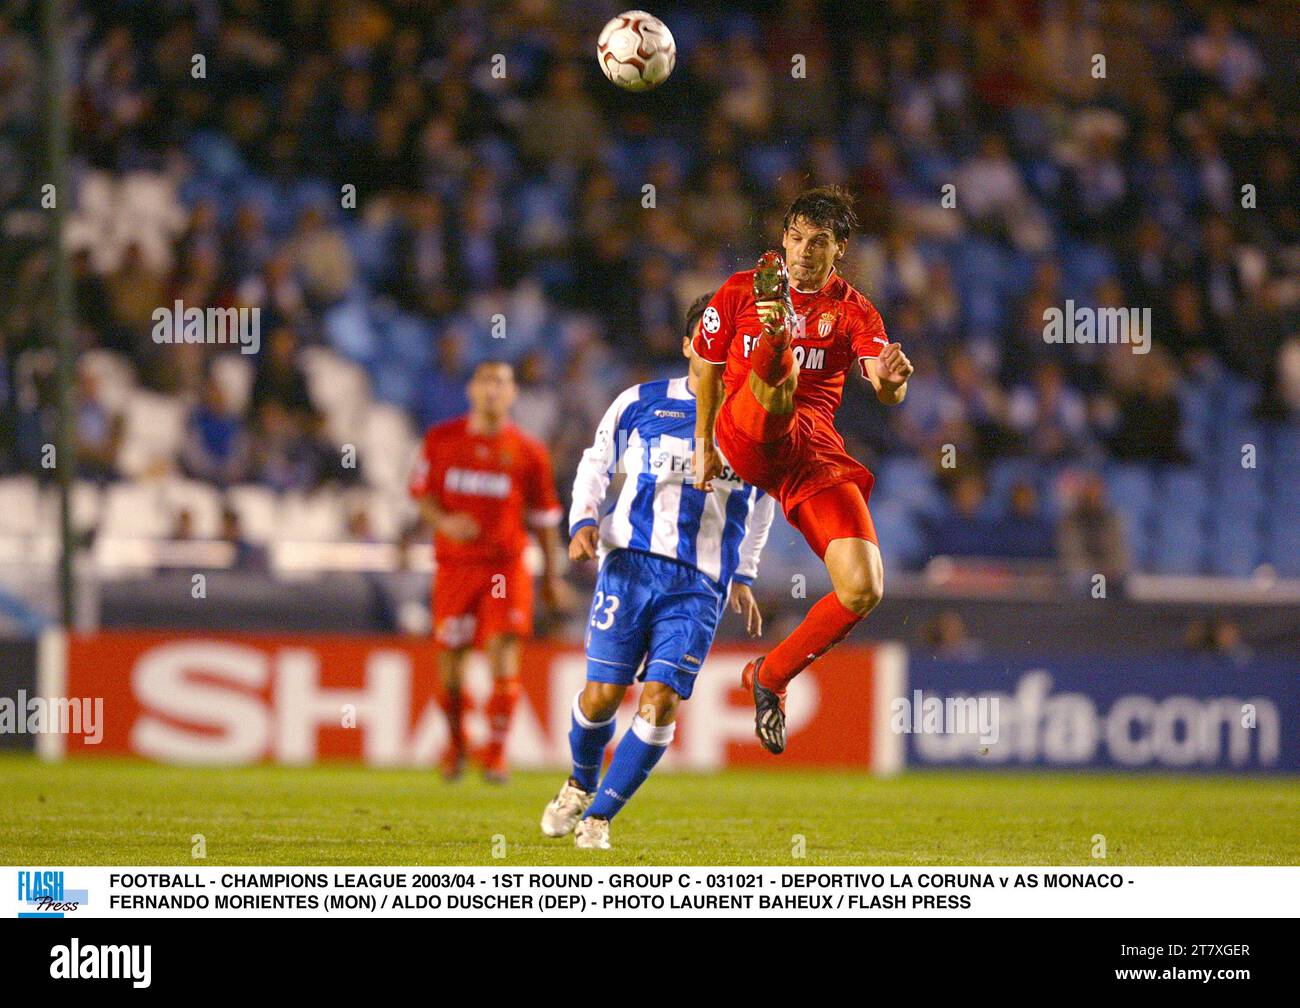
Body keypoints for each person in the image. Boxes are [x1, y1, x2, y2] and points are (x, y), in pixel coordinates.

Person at [542, 295, 773, 850]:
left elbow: (764, 500)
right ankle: (579, 782)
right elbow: (597, 460)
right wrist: (582, 521)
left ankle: (598, 818)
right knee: (602, 695)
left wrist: (743, 572)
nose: (722, 351)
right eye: (711, 339)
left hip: (699, 582)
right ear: (693, 344)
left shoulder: (752, 425)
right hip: (629, 566)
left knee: (662, 697)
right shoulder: (640, 402)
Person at [692, 186, 914, 754]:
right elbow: (708, 366)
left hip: (808, 450)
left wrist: (892, 380)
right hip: (746, 424)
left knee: (864, 587)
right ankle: (775, 343)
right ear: (782, 236)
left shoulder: (855, 310)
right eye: (794, 238)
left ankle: (770, 675)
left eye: (819, 242)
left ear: (839, 249)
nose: (804, 251)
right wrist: (702, 444)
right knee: (780, 379)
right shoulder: (742, 289)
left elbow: (884, 385)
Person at [408, 361, 566, 783]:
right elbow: (423, 495)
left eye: (502, 383)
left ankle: (495, 754)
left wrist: (550, 578)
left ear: (513, 394)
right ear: (471, 390)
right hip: (456, 566)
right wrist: (444, 522)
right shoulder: (441, 439)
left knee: (503, 651)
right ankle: (457, 745)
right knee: (452, 663)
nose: (493, 390)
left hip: (505, 566)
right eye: (486, 381)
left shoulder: (529, 451)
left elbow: (545, 518)